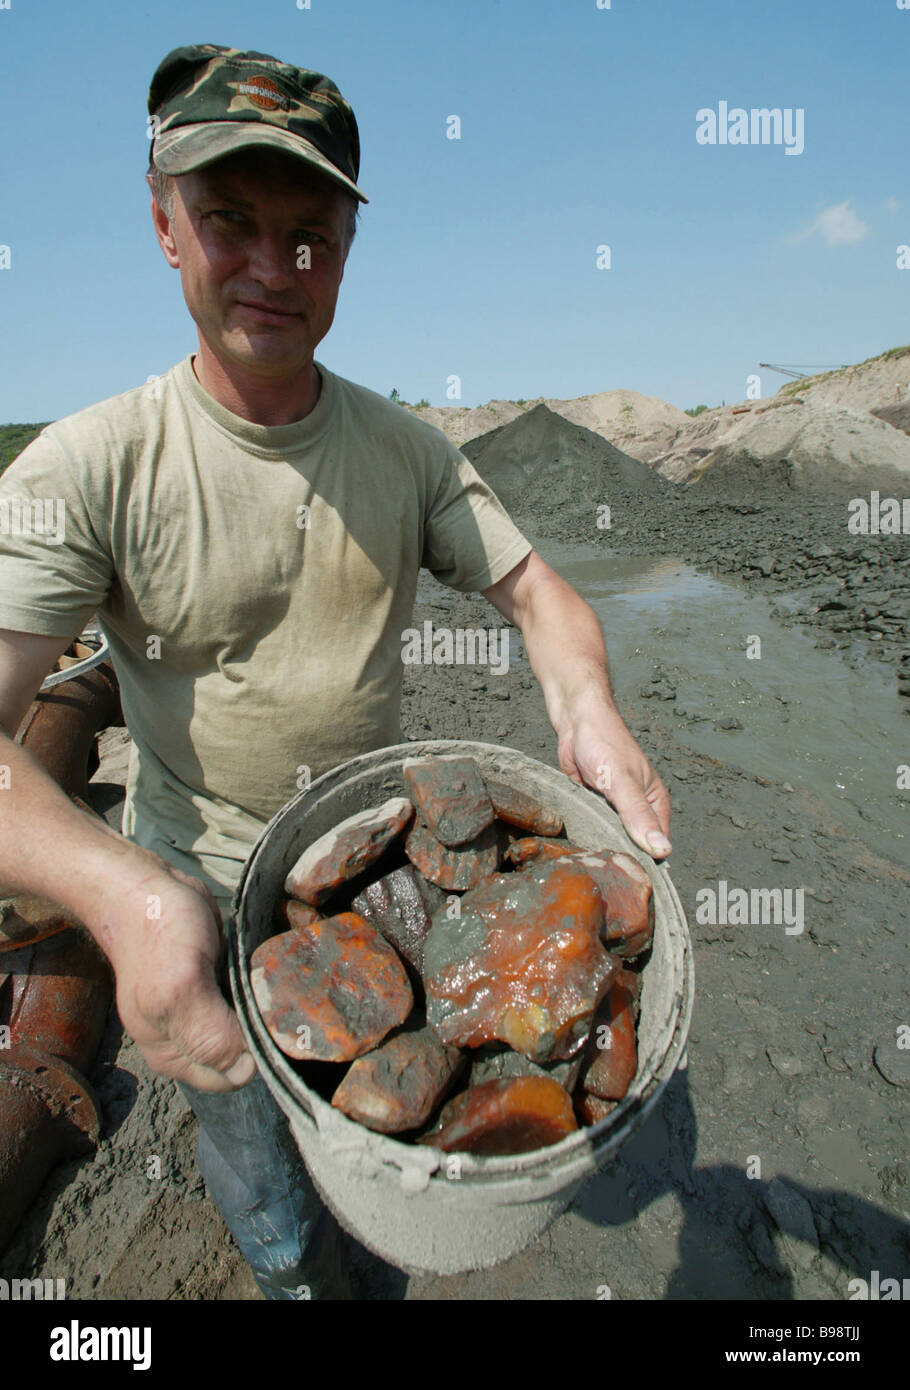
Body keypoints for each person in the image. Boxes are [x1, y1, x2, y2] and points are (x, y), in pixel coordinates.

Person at [0, 44, 671, 1299]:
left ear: (348, 249)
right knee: (256, 1154)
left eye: (308, 234)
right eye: (229, 223)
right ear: (162, 226)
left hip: (371, 875)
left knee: (387, 1133)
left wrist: (588, 712)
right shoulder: (88, 468)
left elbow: (539, 593)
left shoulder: (405, 452)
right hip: (193, 894)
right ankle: (282, 1263)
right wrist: (125, 903)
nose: (271, 267)